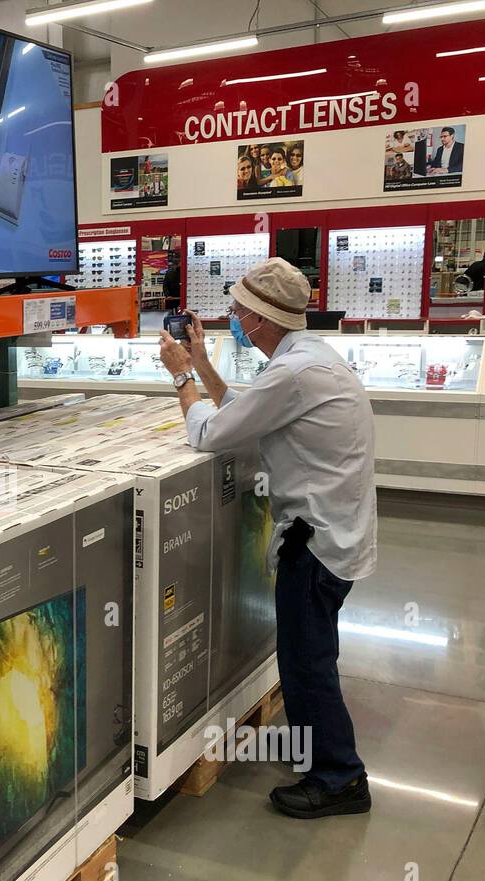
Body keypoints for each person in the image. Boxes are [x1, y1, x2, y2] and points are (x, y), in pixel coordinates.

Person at [157, 258, 377, 819]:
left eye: (237, 312)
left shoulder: (294, 373)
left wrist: (182, 376)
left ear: (261, 319)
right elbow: (246, 410)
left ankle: (339, 778)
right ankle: (320, 756)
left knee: (306, 661)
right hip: (336, 533)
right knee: (311, 651)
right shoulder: (308, 360)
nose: (232, 319)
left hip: (316, 543)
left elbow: (209, 431)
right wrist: (205, 363)